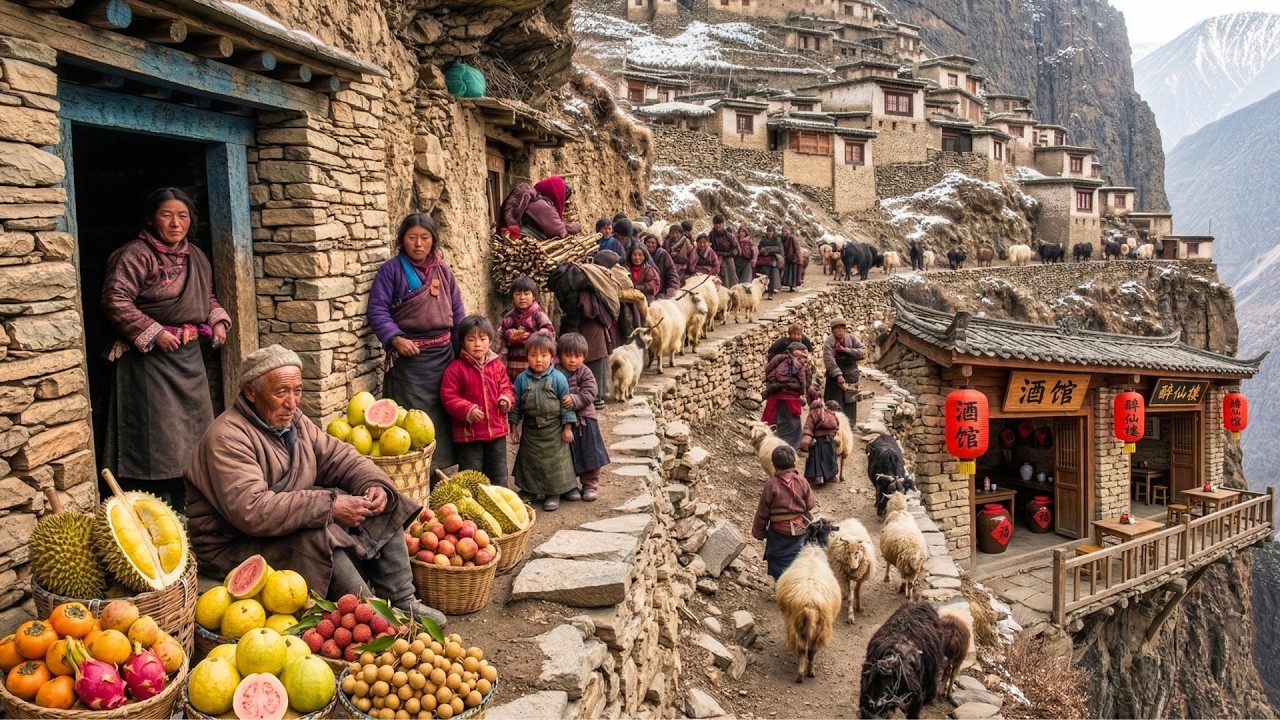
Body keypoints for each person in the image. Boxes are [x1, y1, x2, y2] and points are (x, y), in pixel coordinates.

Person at [185, 345, 446, 625]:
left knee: (376, 500)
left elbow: (336, 455)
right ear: (251, 393)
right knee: (317, 535)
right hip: (233, 542)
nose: (292, 402)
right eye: (281, 392)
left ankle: (404, 600)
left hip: (283, 517)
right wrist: (330, 508)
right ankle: (371, 618)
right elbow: (252, 510)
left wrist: (372, 484)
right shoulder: (227, 438)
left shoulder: (294, 421)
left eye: (297, 390)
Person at [101, 187, 230, 511]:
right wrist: (154, 332)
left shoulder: (197, 258)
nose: (175, 223)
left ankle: (189, 502)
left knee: (193, 437)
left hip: (188, 360)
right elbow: (115, 299)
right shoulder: (134, 255)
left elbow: (207, 297)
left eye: (182, 215)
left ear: (191, 220)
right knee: (155, 440)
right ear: (151, 218)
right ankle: (151, 507)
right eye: (166, 214)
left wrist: (216, 321)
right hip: (149, 365)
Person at [368, 213, 466, 472]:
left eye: (424, 238)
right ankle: (413, 471)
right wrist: (396, 339)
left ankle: (440, 471)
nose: (418, 244)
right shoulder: (391, 271)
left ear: (433, 241)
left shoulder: (443, 271)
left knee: (441, 415)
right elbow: (378, 310)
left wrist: (461, 354)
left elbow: (458, 314)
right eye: (412, 237)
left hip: (443, 356)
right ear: (403, 239)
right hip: (410, 360)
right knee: (411, 417)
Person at [441, 316, 515, 486]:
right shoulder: (455, 369)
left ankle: (499, 507)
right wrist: (468, 409)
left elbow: (506, 387)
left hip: (496, 431)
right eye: (471, 339)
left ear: (490, 340)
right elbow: (449, 397)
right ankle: (472, 509)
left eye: (482, 339)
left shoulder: (497, 366)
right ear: (462, 342)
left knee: (498, 475)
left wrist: (505, 399)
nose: (477, 344)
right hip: (469, 435)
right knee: (471, 478)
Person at [509, 333, 578, 511]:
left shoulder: (559, 379)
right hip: (531, 431)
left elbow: (566, 406)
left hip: (554, 431)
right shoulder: (521, 380)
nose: (538, 360)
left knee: (555, 463)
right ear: (527, 357)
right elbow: (516, 406)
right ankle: (530, 490)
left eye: (543, 355)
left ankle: (554, 493)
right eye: (533, 355)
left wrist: (568, 427)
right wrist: (514, 428)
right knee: (530, 462)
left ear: (552, 357)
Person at [557, 333, 609, 502]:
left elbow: (590, 392)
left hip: (585, 421)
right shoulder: (555, 372)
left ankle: (590, 485)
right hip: (564, 421)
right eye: (568, 355)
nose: (573, 360)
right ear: (559, 355)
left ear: (584, 357)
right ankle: (569, 486)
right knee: (567, 455)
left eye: (577, 356)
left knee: (590, 453)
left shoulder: (585, 373)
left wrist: (574, 399)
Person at [751, 445, 816, 580]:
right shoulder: (802, 481)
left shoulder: (771, 485)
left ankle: (781, 583)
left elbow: (763, 512)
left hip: (779, 531)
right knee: (798, 555)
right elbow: (810, 504)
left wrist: (759, 532)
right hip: (799, 528)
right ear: (793, 462)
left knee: (777, 556)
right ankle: (797, 580)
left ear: (774, 464)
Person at [499, 276, 555, 383]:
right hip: (513, 366)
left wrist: (531, 338)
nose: (522, 297)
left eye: (526, 293)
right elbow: (501, 338)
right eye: (518, 294)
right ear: (512, 297)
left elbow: (550, 333)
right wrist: (509, 335)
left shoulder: (538, 315)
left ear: (534, 296)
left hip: (535, 365)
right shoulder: (508, 317)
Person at [762, 342, 812, 448]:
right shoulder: (803, 366)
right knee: (792, 425)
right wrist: (801, 393)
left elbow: (768, 369)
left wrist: (772, 384)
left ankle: (770, 446)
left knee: (773, 423)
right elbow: (804, 384)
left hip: (775, 396)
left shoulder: (779, 358)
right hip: (791, 400)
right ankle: (790, 448)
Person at [823, 317, 866, 424]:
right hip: (834, 379)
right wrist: (838, 375)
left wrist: (845, 350)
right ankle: (835, 426)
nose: (840, 331)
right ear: (832, 330)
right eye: (837, 328)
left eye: (842, 328)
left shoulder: (851, 339)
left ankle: (850, 425)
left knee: (850, 402)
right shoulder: (829, 342)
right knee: (834, 404)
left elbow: (862, 352)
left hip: (851, 375)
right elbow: (829, 359)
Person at [800, 399, 841, 486]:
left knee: (816, 459)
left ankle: (818, 477)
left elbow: (808, 428)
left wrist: (805, 443)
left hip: (817, 440)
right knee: (830, 458)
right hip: (829, 440)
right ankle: (831, 476)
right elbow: (837, 426)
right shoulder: (832, 415)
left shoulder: (813, 414)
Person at [644, 234, 682, 298]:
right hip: (646, 288)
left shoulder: (663, 254)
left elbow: (672, 271)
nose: (650, 245)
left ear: (657, 244)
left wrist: (672, 288)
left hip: (662, 288)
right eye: (648, 242)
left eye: (653, 243)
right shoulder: (641, 254)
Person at [708, 214, 738, 289]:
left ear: (723, 224)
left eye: (720, 223)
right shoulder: (711, 235)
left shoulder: (729, 236)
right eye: (716, 224)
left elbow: (736, 249)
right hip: (716, 258)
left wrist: (732, 253)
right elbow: (708, 247)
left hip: (728, 258)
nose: (718, 225)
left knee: (731, 277)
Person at [756, 226, 784, 299]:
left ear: (773, 232)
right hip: (764, 261)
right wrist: (763, 250)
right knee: (763, 276)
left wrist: (768, 249)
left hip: (773, 261)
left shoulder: (777, 240)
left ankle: (770, 293)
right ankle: (761, 292)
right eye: (768, 231)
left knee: (772, 277)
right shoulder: (763, 240)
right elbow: (759, 247)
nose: (769, 232)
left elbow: (779, 248)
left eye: (770, 231)